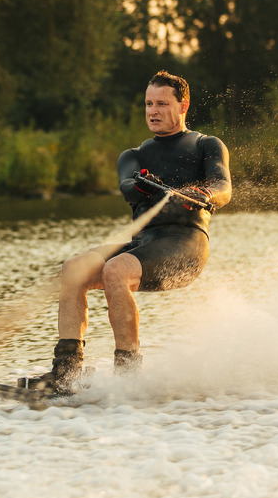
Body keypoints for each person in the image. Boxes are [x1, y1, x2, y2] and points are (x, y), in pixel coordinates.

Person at [24, 70, 232, 395]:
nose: (153, 111)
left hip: (185, 246)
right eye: (149, 103)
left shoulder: (207, 145)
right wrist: (140, 183)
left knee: (115, 269)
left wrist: (204, 195)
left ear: (183, 106)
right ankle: (66, 371)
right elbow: (128, 186)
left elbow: (222, 187)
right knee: (73, 269)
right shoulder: (133, 156)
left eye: (162, 103)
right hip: (145, 243)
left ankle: (127, 376)